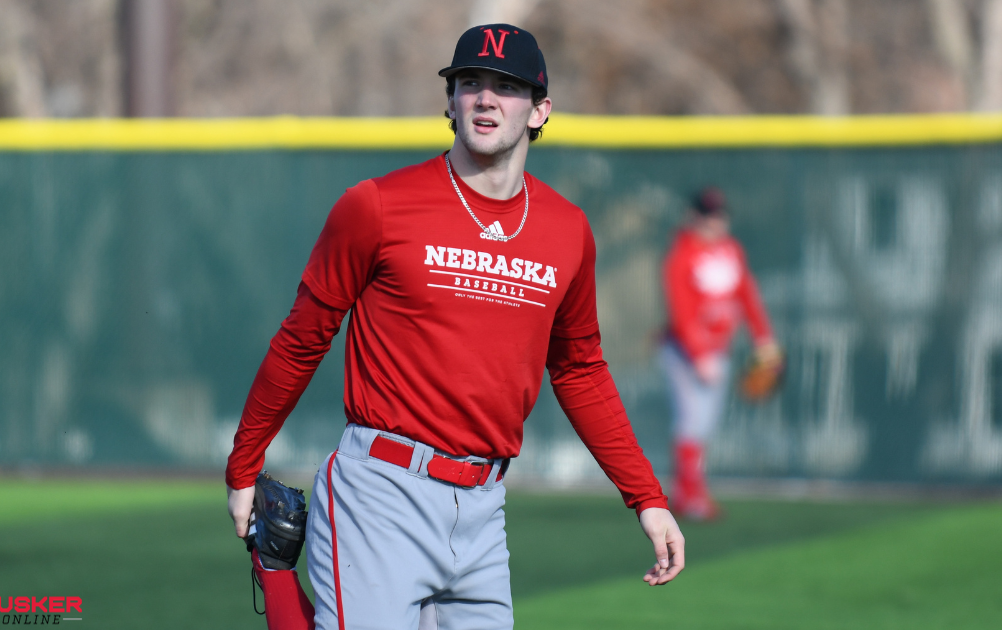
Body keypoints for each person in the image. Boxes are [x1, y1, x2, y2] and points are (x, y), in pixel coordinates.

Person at [224, 23, 684, 630]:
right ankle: (279, 576)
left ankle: (282, 574)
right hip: (382, 491)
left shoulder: (567, 230)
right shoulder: (378, 206)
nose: (485, 98)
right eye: (469, 82)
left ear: (540, 110)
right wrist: (244, 463)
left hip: (484, 508)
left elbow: (579, 370)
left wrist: (646, 497)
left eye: (506, 86)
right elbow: (303, 337)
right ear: (450, 102)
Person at [660, 187, 783, 520]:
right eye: (708, 215)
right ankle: (690, 497)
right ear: (693, 217)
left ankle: (690, 493)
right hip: (685, 354)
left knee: (705, 425)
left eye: (720, 214)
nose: (716, 221)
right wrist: (698, 355)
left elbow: (747, 295)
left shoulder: (731, 250)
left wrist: (764, 338)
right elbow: (681, 312)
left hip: (720, 352)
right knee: (691, 421)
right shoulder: (681, 254)